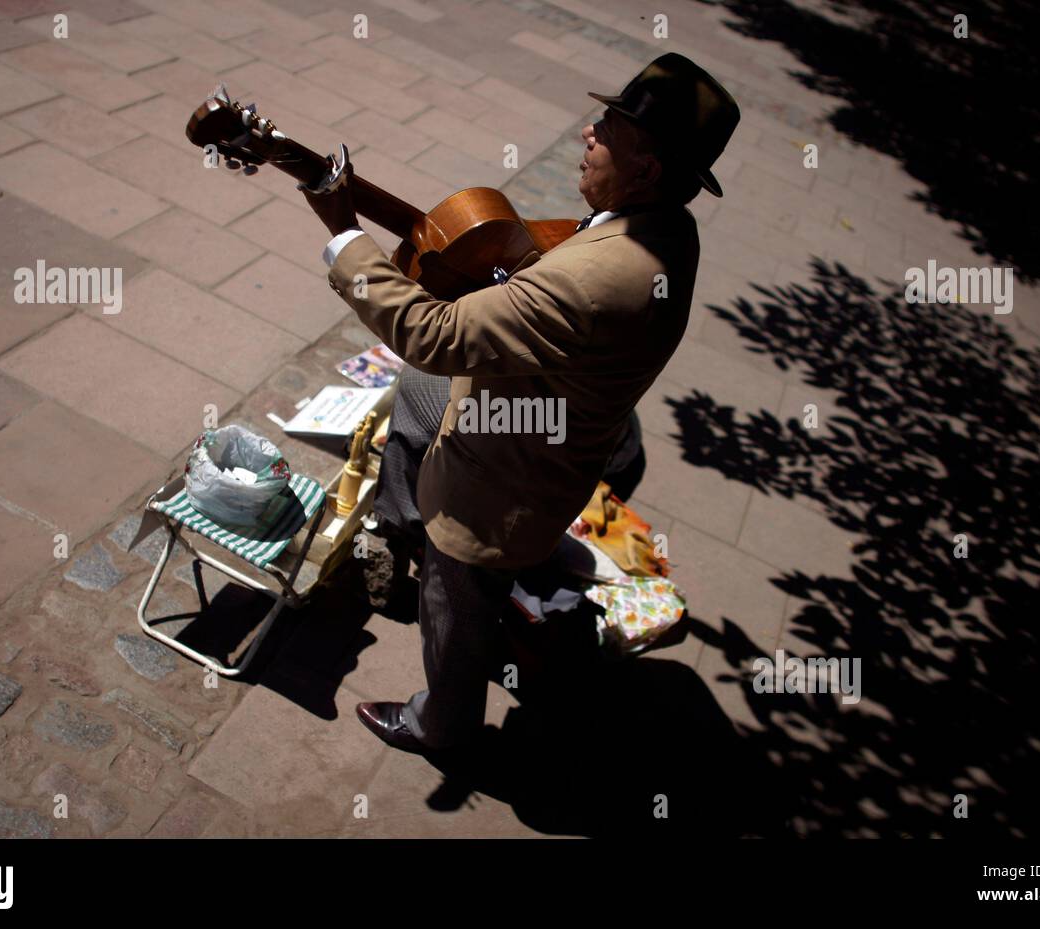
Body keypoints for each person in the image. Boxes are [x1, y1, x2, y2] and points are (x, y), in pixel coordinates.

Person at [300, 53, 739, 753]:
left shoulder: (598, 275)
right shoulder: (666, 229)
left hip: (503, 481)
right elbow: (537, 297)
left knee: (453, 608)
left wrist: (343, 232)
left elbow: (429, 333)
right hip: (558, 423)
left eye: (610, 129)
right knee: (417, 396)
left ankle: (442, 725)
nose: (588, 132)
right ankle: (429, 534)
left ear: (649, 168)